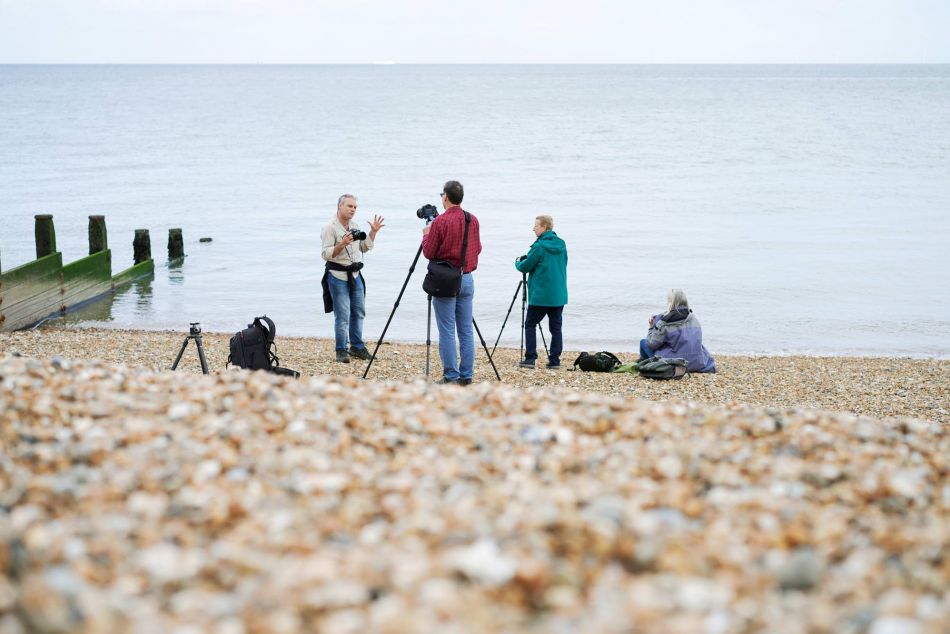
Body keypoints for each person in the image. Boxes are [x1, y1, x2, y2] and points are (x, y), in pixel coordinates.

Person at [422, 180, 482, 385]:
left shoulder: (440, 222)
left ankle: (451, 375)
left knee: (447, 329)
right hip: (466, 278)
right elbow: (478, 248)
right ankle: (466, 375)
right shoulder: (471, 219)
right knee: (465, 329)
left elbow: (429, 253)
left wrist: (425, 236)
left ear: (445, 197)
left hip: (446, 280)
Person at [321, 194, 385, 363]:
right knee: (343, 315)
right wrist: (341, 244)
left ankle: (356, 347)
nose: (353, 210)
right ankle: (341, 350)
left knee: (359, 312)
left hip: (355, 275)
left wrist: (373, 232)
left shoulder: (354, 225)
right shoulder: (330, 227)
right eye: (349, 206)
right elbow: (325, 254)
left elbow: (364, 247)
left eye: (355, 207)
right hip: (337, 275)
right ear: (339, 206)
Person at [514, 215, 568, 369]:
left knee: (530, 324)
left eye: (536, 226)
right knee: (556, 328)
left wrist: (517, 262)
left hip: (541, 296)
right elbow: (564, 263)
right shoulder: (562, 244)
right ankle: (555, 361)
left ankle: (531, 358)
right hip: (559, 295)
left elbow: (525, 267)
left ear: (544, 227)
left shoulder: (539, 246)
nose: (533, 228)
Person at [640, 289, 716, 373]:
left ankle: (648, 365)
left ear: (670, 302)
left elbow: (652, 344)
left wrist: (652, 327)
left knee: (643, 342)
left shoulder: (665, 321)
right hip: (697, 362)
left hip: (675, 364)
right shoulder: (694, 318)